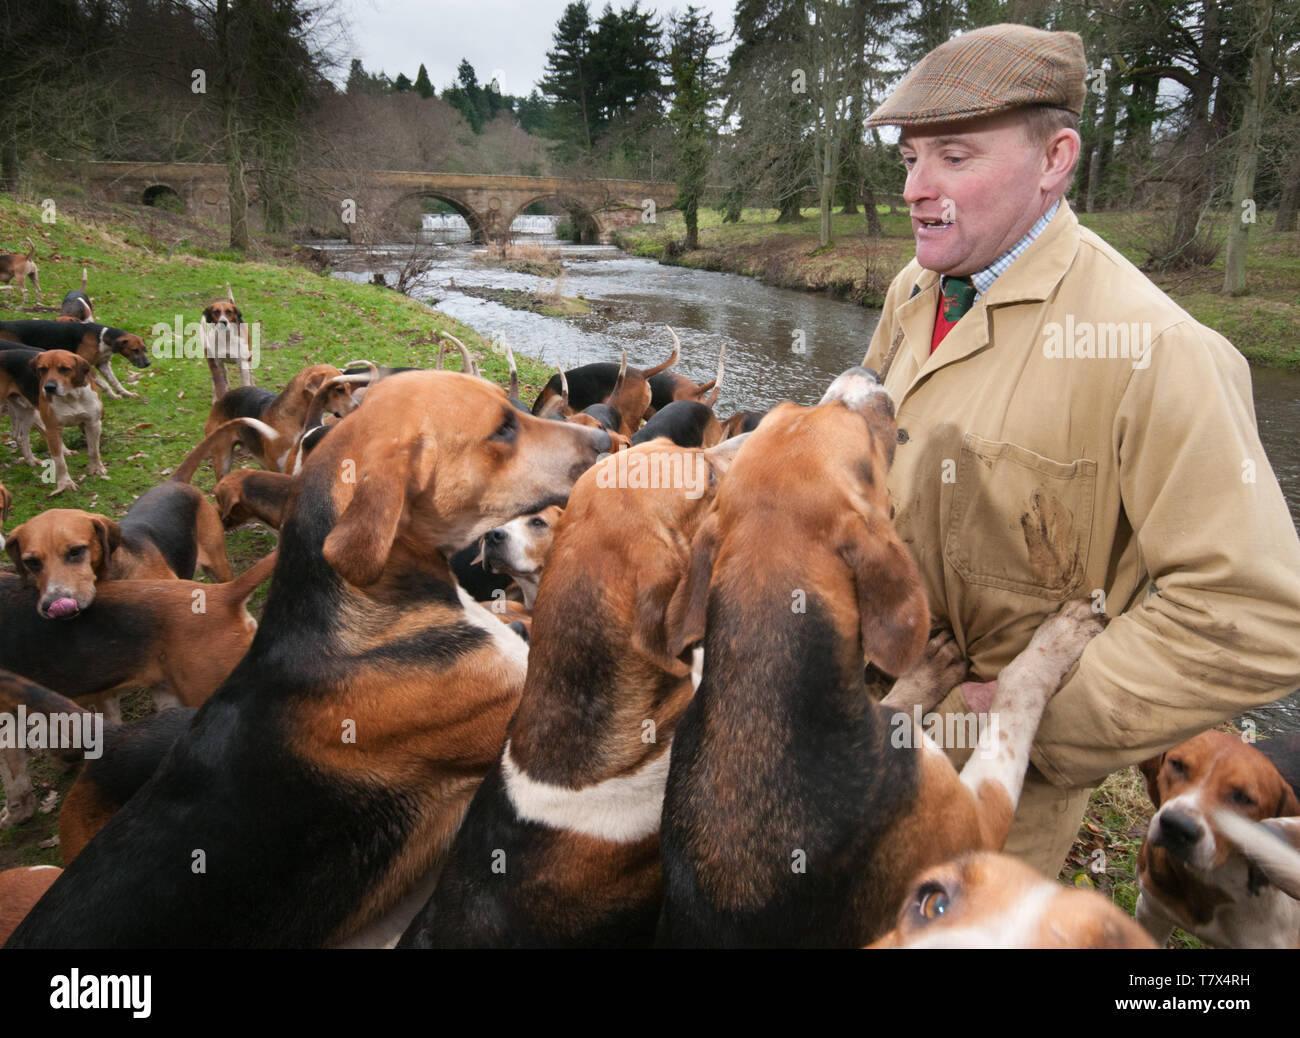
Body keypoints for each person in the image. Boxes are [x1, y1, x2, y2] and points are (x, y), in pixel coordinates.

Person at [860, 23, 1300, 878]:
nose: (917, 187)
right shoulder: (913, 291)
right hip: (863, 722)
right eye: (910, 159)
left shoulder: (1159, 350)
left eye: (954, 157)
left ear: (1056, 158)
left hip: (996, 797)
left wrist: (1028, 722)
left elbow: (1255, 616)